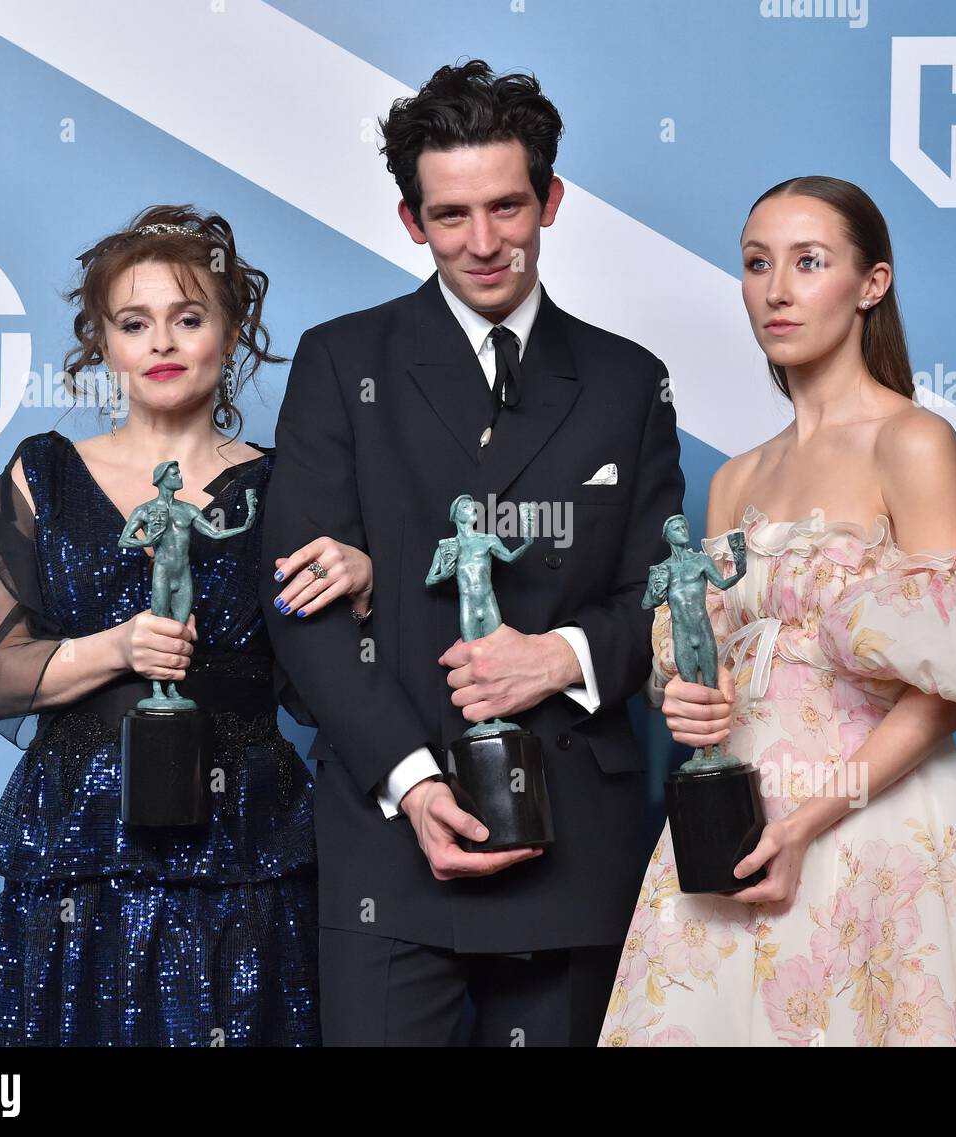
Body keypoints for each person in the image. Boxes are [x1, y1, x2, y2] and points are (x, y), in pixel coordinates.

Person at [259, 60, 685, 1046]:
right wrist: (411, 782)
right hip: (387, 835)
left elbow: (661, 598)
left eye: (506, 207)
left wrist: (563, 657)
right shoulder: (340, 361)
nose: (483, 243)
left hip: (575, 830)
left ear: (551, 200)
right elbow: (302, 604)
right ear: (411, 220)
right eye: (451, 216)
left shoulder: (628, 381)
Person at [599, 176, 956, 1047]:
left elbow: (953, 684)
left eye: (808, 262)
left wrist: (809, 820)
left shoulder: (914, 441)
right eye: (756, 263)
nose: (776, 289)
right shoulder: (737, 477)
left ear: (872, 283)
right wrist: (693, 702)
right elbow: (722, 668)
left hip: (868, 817)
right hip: (732, 824)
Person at [0, 205, 372, 1046]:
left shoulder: (286, 484)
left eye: (189, 317)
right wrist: (116, 646)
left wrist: (364, 586)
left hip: (245, 829)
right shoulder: (44, 473)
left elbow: (323, 683)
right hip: (83, 833)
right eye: (134, 323)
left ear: (232, 329)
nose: (162, 343)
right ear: (102, 341)